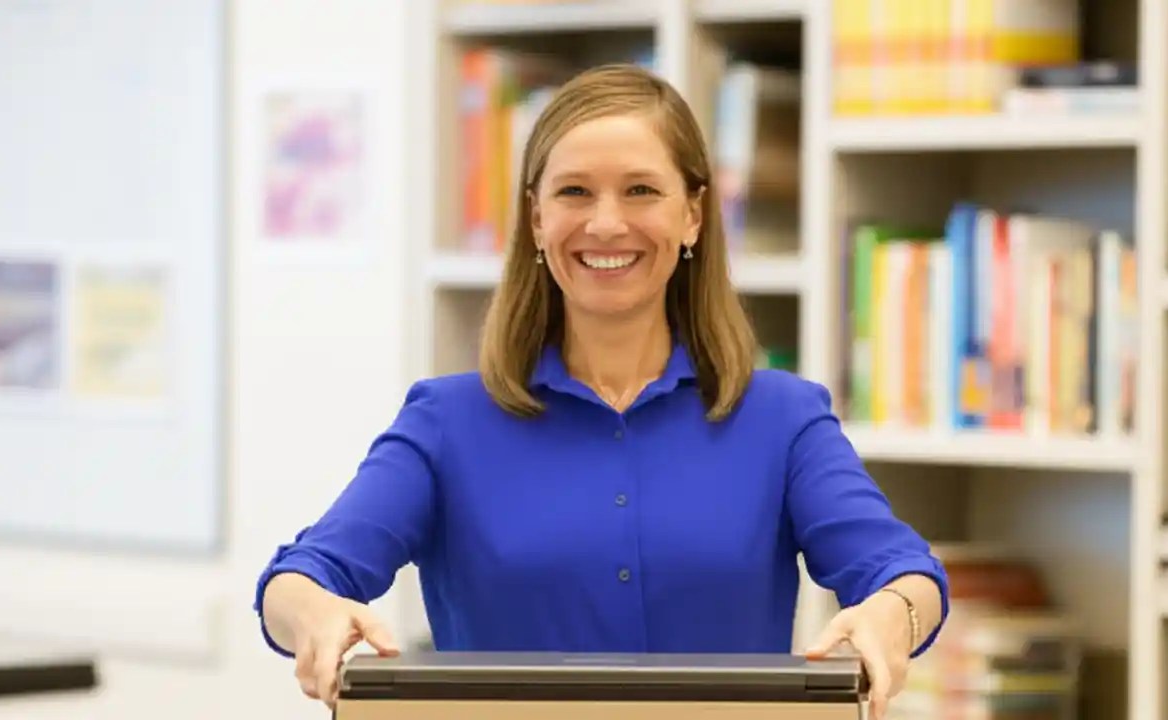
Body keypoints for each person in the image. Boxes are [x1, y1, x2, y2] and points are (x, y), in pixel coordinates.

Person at [254, 63, 948, 719]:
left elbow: (901, 569)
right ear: (536, 218)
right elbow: (300, 577)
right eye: (574, 192)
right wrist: (313, 613)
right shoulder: (446, 423)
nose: (607, 223)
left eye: (641, 190)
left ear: (693, 216)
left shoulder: (783, 420)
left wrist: (893, 615)